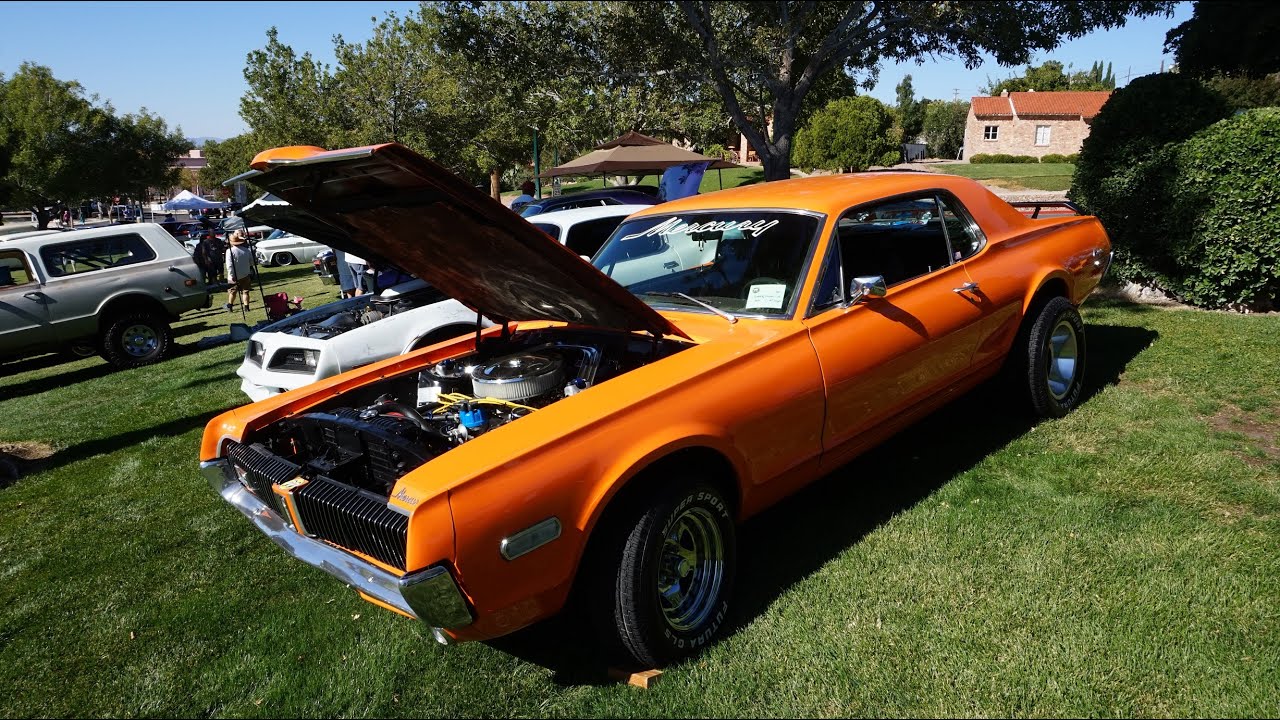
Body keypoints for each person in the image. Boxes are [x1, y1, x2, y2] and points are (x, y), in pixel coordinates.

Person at [224, 230, 255, 313]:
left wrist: (231, 275)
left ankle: (230, 306)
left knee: (232, 291)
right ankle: (246, 307)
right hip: (245, 274)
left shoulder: (229, 251)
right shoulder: (246, 250)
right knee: (245, 291)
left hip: (234, 276)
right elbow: (252, 262)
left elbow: (229, 265)